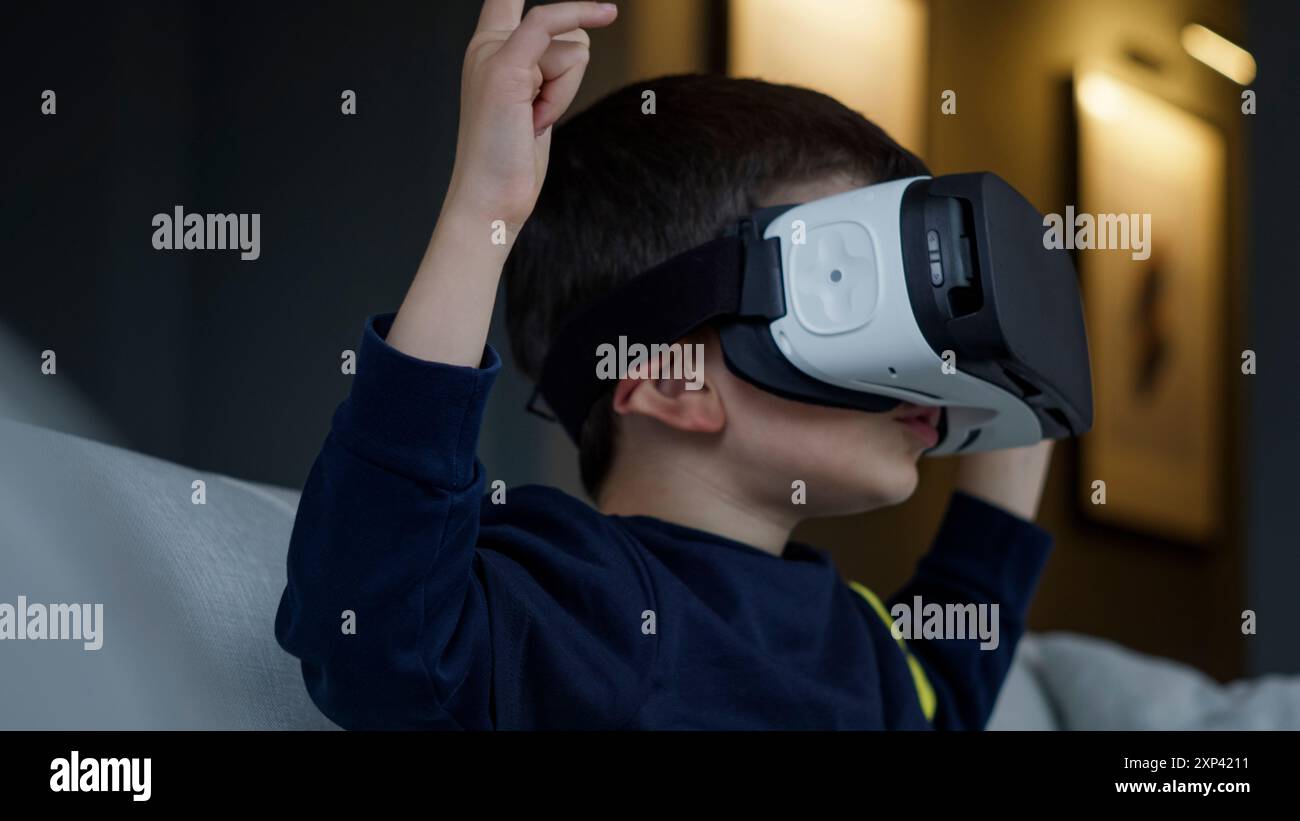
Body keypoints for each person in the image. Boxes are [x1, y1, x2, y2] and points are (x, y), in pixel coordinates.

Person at [275, 0, 1056, 729]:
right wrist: (486, 210)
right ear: (675, 375)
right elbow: (379, 637)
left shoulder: (859, 639)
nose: (924, 353)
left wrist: (1023, 388)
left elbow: (945, 691)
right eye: (851, 283)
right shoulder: (599, 598)